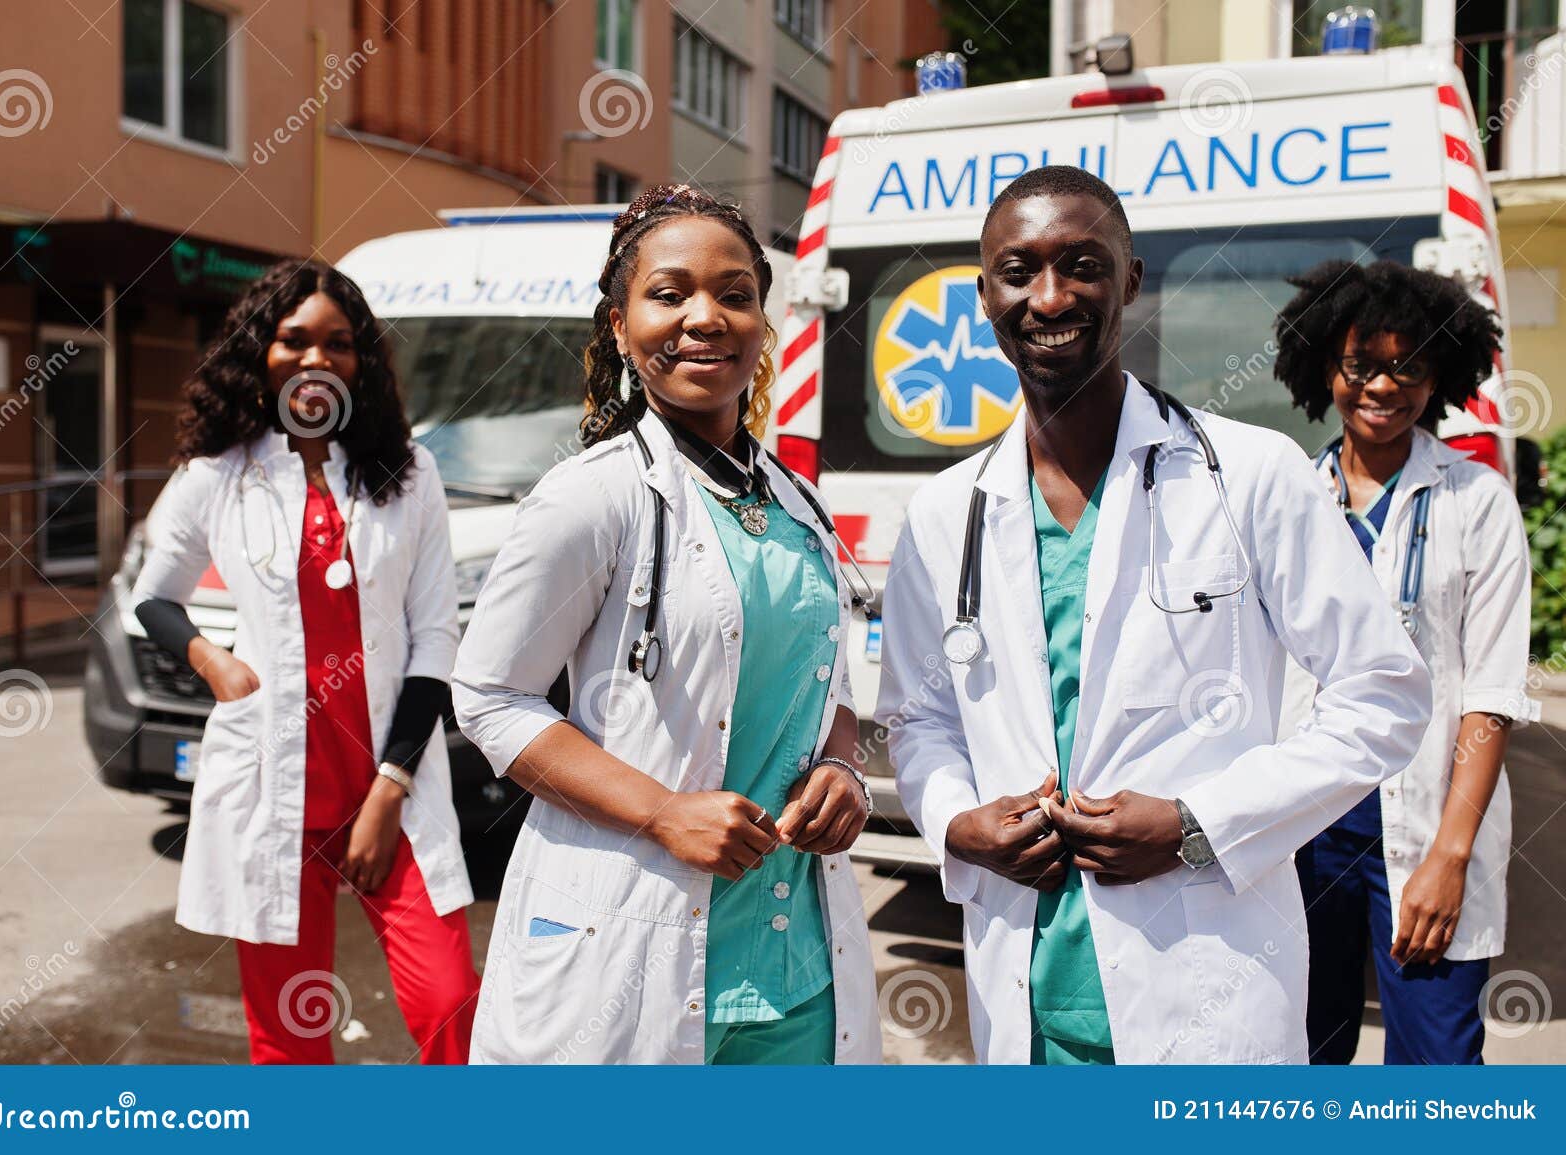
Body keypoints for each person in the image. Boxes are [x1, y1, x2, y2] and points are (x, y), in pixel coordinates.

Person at [876, 166, 1433, 1065]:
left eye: (1082, 266)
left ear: (1130, 280)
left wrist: (1197, 822)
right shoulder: (947, 514)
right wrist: (954, 821)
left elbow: (1386, 695)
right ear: (984, 297)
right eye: (1018, 272)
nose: (1048, 296)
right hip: (1024, 993)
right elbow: (916, 718)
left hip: (1208, 991)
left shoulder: (1251, 474)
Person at [453, 184, 881, 1065]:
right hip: (626, 950)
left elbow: (825, 681)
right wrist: (660, 813)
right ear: (619, 325)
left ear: (765, 321)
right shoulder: (592, 497)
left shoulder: (798, 502)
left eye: (734, 294)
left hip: (796, 967)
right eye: (669, 292)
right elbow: (490, 699)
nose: (704, 317)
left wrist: (842, 764)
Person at [132, 259, 479, 1064]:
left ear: (361, 362)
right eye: (294, 340)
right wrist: (213, 663)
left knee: (450, 1002)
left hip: (390, 790)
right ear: (261, 350)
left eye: (339, 343)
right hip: (272, 793)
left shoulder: (408, 475)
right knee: (288, 1038)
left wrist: (389, 788)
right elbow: (154, 595)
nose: (316, 359)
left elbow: (435, 637)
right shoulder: (217, 474)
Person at [1273, 259, 1537, 1065]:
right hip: (1303, 834)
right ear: (1327, 366)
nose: (1382, 385)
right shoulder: (1289, 496)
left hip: (1426, 831)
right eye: (1361, 363)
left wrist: (1449, 857)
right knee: (1302, 1060)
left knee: (1439, 1077)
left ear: (1439, 373)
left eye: (1409, 364)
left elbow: (1490, 693)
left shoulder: (1477, 500)